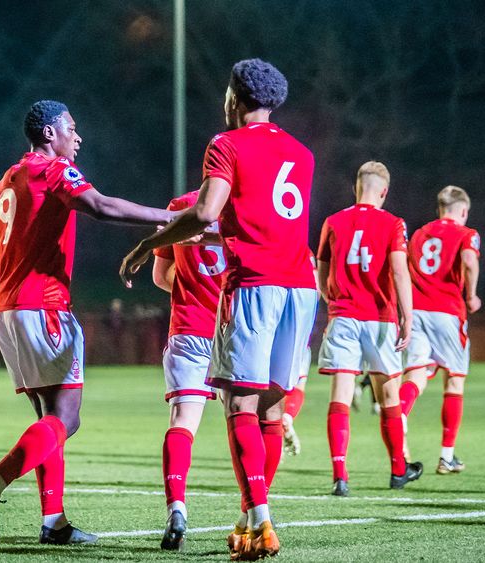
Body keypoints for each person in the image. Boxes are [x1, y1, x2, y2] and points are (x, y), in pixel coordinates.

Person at [121, 58, 317, 561]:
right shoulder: (302, 153)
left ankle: (263, 522)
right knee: (272, 409)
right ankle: (250, 517)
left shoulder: (225, 145)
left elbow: (206, 213)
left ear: (234, 98)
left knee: (238, 406)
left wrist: (150, 245)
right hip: (300, 285)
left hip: (255, 285)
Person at [0, 100, 174, 547]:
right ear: (48, 133)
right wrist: (170, 218)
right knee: (67, 418)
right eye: (71, 129)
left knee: (47, 417)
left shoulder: (7, 180)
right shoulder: (50, 170)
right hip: (43, 308)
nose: (77, 138)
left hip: (8, 310)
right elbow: (100, 206)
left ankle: (53, 521)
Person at [316, 161, 422, 497]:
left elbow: (321, 268)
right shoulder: (394, 224)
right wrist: (408, 315)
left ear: (356, 188)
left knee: (341, 396)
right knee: (388, 395)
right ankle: (397, 469)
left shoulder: (333, 221)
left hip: (344, 316)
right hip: (379, 317)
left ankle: (340, 475)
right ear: (384, 191)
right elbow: (400, 271)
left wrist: (331, 299)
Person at [149, 190, 223, 550]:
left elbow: (161, 276)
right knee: (249, 422)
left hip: (190, 328)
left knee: (182, 422)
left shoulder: (179, 206)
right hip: (239, 329)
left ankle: (177, 505)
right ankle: (254, 514)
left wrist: (195, 284)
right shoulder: (249, 202)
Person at [397, 186, 481, 474]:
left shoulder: (419, 233)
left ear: (439, 209)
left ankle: (401, 415)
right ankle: (446, 456)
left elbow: (403, 267)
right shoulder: (467, 234)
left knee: (416, 373)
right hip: (447, 311)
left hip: (417, 311)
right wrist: (471, 295)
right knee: (454, 380)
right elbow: (469, 261)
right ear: (463, 211)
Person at [281, 250, 319, 457]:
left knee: (264, 388)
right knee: (298, 383)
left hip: (267, 323)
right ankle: (287, 416)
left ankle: (265, 433)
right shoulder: (304, 251)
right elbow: (316, 288)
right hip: (298, 325)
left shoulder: (263, 242)